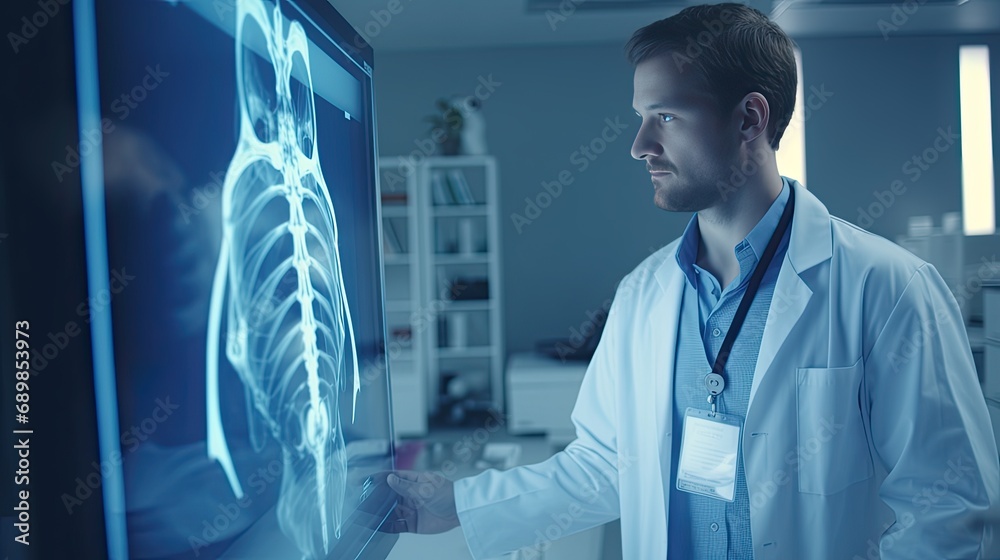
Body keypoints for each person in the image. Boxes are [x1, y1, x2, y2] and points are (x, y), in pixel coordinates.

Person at [381, 4, 1000, 558]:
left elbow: (948, 510)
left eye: (667, 116)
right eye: (640, 117)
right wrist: (456, 504)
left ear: (750, 118)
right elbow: (604, 466)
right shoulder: (642, 296)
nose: (639, 145)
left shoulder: (889, 289)